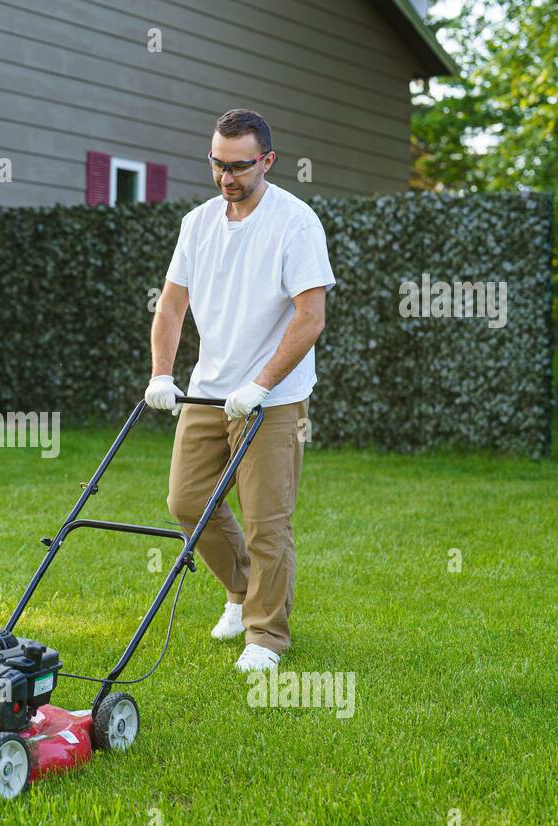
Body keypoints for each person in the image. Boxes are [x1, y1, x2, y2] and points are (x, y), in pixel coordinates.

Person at [145, 108, 336, 673]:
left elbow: (311, 317)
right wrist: (161, 374)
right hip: (207, 391)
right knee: (187, 502)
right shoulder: (198, 223)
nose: (227, 176)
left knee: (267, 520)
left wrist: (259, 385)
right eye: (217, 164)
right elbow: (172, 304)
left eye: (239, 166)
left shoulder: (294, 222)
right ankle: (240, 590)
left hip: (271, 400)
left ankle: (266, 636)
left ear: (268, 161)